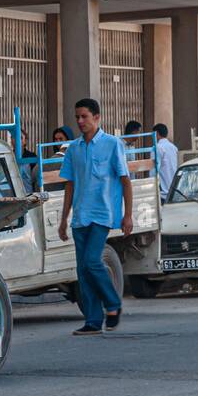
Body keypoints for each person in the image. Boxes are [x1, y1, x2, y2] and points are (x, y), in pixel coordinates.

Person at [57, 99, 133, 336]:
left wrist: (127, 215)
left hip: (102, 214)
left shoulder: (112, 144)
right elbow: (70, 185)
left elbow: (125, 180)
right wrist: (63, 219)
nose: (80, 121)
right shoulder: (74, 149)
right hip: (80, 216)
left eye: (84, 117)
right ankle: (92, 321)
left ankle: (113, 303)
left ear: (97, 117)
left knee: (92, 261)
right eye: (77, 117)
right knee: (83, 271)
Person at [154, 123, 178, 200]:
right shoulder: (173, 147)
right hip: (173, 190)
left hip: (162, 193)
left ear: (156, 133)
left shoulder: (157, 148)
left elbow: (153, 170)